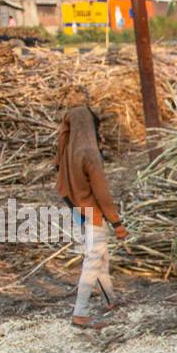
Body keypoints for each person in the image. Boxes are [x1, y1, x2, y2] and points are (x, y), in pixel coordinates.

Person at [55, 105, 128, 330]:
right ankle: (80, 312)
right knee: (93, 261)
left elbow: (60, 180)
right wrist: (117, 222)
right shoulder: (88, 152)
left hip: (78, 211)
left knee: (101, 258)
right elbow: (102, 193)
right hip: (93, 213)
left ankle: (109, 299)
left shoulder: (68, 150)